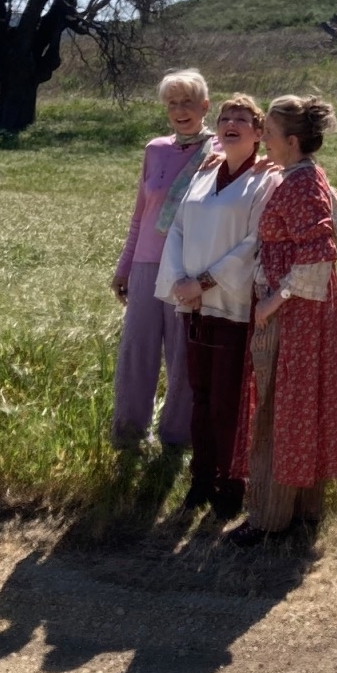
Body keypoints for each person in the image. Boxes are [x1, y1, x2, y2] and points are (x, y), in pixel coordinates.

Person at [156, 94, 278, 519]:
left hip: (230, 304)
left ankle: (232, 484)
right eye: (226, 117)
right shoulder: (204, 175)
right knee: (200, 397)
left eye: (242, 120)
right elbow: (177, 229)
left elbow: (254, 244)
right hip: (191, 305)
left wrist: (204, 282)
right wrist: (178, 283)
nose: (231, 124)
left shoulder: (266, 180)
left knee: (229, 399)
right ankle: (200, 480)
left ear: (259, 134)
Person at [231, 95, 337, 544]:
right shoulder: (308, 177)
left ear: (292, 141)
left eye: (272, 136)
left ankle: (268, 518)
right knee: (303, 403)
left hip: (294, 315)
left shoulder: (299, 184)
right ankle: (302, 510)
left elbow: (318, 252)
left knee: (278, 408)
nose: (265, 143)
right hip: (311, 311)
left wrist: (270, 303)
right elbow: (333, 232)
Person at [110, 70, 216, 450]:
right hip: (144, 265)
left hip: (186, 268)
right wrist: (124, 266)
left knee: (183, 356)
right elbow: (141, 214)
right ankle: (128, 435)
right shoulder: (155, 149)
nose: (179, 110)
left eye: (187, 102)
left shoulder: (220, 152)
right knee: (136, 351)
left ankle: (177, 439)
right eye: (172, 103)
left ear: (205, 106)